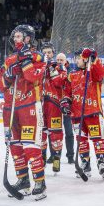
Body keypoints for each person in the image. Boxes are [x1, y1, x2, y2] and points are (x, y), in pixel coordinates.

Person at [0, 25, 48, 199]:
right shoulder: (9, 59)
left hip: (30, 105)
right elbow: (0, 85)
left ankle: (39, 181)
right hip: (10, 107)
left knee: (30, 144)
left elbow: (34, 77)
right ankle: (23, 180)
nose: (15, 39)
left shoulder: (38, 56)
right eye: (15, 36)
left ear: (28, 38)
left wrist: (25, 62)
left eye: (19, 36)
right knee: (15, 146)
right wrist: (9, 75)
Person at [62, 47, 104, 179]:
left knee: (97, 139)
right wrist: (65, 102)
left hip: (93, 112)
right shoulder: (72, 75)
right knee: (81, 140)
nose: (76, 60)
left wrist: (93, 60)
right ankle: (85, 162)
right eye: (75, 58)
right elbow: (67, 92)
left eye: (79, 58)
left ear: (85, 59)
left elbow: (101, 72)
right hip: (77, 115)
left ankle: (101, 162)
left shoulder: (93, 71)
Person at [40, 41, 68, 174]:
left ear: (53, 53)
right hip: (39, 104)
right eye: (44, 52)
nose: (47, 55)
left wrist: (52, 70)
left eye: (49, 52)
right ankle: (43, 159)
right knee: (41, 134)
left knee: (56, 133)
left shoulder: (59, 66)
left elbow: (60, 82)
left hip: (54, 104)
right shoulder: (37, 66)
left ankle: (56, 159)